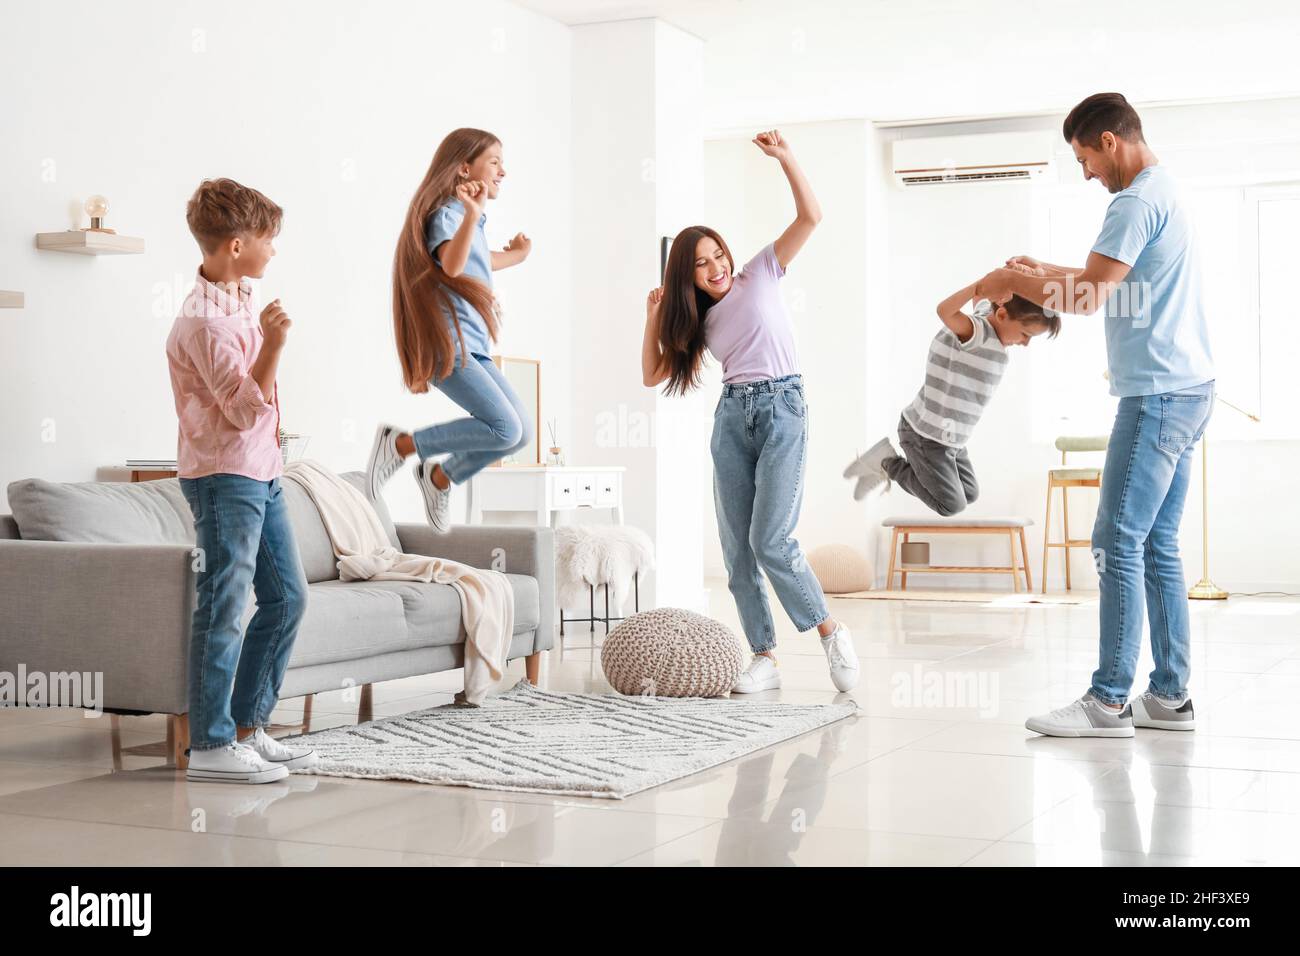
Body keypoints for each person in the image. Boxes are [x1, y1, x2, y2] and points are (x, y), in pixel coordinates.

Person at [975, 93, 1215, 737]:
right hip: (1190, 389)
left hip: (1157, 395)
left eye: (1084, 158)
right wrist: (1035, 270)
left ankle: (1108, 700)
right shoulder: (1164, 189)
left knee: (1114, 541)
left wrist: (1008, 285)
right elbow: (1109, 280)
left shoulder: (1132, 200)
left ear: (1110, 141)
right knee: (1156, 542)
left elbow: (1084, 297)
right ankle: (1169, 697)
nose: (1085, 173)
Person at [642, 129, 859, 695]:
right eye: (700, 264)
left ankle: (830, 630)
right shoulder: (696, 322)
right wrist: (652, 315)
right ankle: (764, 656)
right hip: (732, 418)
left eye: (717, 254)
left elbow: (811, 216)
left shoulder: (761, 270)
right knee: (737, 548)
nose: (715, 267)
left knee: (772, 540)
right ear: (685, 275)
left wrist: (787, 157)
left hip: (783, 407)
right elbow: (652, 374)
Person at [165, 178, 318, 782]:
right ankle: (209, 745)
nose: (273, 250)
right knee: (224, 606)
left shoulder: (235, 296)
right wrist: (276, 344)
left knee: (288, 598)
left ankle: (248, 729)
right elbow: (241, 408)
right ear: (235, 245)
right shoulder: (205, 323)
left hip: (261, 471)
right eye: (267, 239)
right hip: (226, 477)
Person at [367, 128, 534, 530]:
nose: (503, 171)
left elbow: (477, 261)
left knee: (521, 433)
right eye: (494, 161)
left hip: (473, 345)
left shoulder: (466, 220)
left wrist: (516, 255)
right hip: (449, 343)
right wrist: (473, 215)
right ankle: (401, 444)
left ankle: (441, 476)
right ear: (464, 168)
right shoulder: (448, 214)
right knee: (504, 427)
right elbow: (453, 265)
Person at [844, 281, 1060, 513]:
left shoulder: (987, 315)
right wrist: (978, 286)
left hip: (951, 441)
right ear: (1003, 314)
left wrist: (1017, 276)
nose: (1025, 343)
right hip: (926, 436)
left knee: (969, 493)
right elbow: (945, 310)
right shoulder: (976, 333)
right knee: (951, 505)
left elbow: (987, 296)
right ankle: (887, 462)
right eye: (1025, 334)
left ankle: (887, 463)